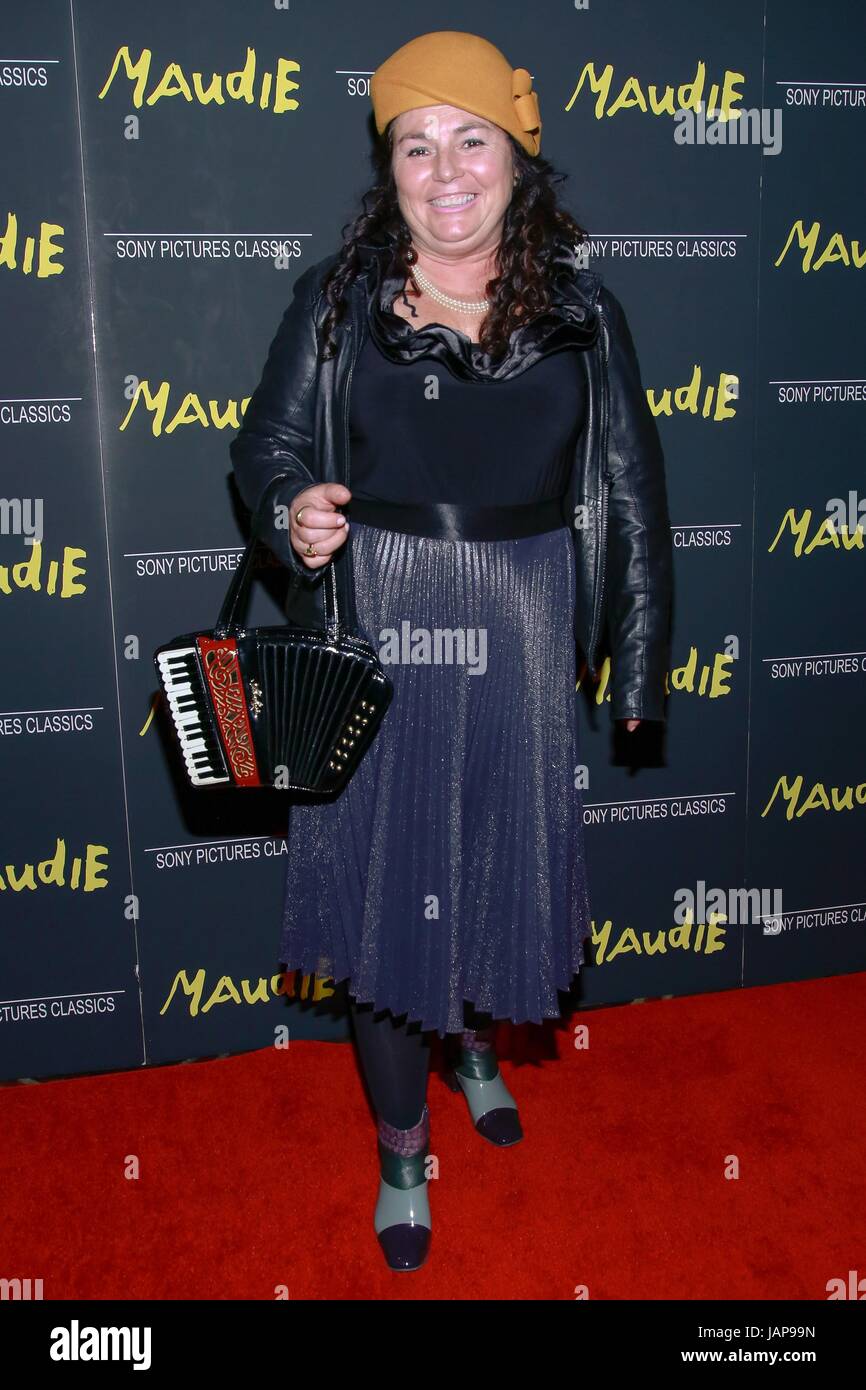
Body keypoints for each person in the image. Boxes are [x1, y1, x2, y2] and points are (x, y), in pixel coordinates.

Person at [229, 29, 673, 1272]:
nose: (444, 169)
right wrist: (290, 511)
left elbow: (631, 493)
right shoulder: (337, 301)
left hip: (525, 633)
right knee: (384, 913)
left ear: (517, 161)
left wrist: (635, 673)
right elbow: (263, 448)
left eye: (469, 139)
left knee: (488, 872)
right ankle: (399, 1150)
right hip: (380, 627)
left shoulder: (584, 311)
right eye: (415, 147)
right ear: (390, 171)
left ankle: (473, 1045)